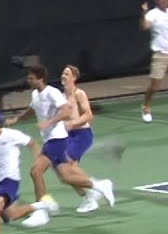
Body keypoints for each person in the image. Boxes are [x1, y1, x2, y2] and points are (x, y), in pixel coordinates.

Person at [6, 65, 115, 223]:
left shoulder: (53, 92)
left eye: (31, 78)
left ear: (40, 78)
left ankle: (41, 210)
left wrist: (49, 122)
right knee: (65, 176)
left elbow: (66, 110)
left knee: (36, 171)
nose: (28, 80)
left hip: (57, 139)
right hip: (52, 139)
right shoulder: (36, 94)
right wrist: (16, 119)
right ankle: (98, 186)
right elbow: (31, 110)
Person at [61, 65, 100, 214]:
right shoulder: (60, 96)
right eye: (63, 73)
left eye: (67, 74)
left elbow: (88, 115)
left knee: (67, 165)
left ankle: (95, 187)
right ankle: (88, 196)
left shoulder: (79, 94)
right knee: (65, 171)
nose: (63, 76)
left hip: (82, 134)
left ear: (74, 78)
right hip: (67, 136)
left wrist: (72, 123)